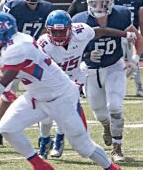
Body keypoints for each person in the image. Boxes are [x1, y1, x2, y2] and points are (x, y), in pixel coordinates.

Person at [0, 11, 126, 170]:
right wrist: (10, 93)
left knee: (83, 148)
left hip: (62, 97)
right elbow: (11, 79)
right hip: (37, 96)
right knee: (6, 128)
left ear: (4, 34)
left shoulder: (17, 48)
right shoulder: (12, 44)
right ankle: (40, 166)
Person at [37, 10, 137, 158]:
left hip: (74, 78)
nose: (58, 36)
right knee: (45, 117)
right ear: (48, 30)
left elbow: (101, 31)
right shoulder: (43, 44)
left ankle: (59, 139)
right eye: (55, 32)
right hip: (52, 80)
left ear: (70, 29)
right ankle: (45, 140)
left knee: (65, 111)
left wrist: (125, 34)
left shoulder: (81, 31)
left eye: (62, 31)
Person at [72, 0, 143, 162]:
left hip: (114, 65)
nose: (98, 8)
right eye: (94, 3)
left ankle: (117, 148)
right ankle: (106, 126)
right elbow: (71, 48)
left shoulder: (120, 15)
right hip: (89, 69)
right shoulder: (80, 20)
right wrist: (86, 54)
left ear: (110, 3)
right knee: (100, 113)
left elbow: (136, 36)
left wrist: (135, 58)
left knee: (115, 107)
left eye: (103, 3)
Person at [0, 0, 54, 149]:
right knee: (7, 93)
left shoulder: (47, 8)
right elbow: (2, 30)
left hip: (35, 56)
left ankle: (43, 135)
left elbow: (47, 30)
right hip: (15, 55)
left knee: (42, 93)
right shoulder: (12, 6)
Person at [114, 0, 143, 97]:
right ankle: (117, 88)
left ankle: (139, 87)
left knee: (134, 63)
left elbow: (141, 18)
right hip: (119, 34)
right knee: (117, 63)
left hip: (133, 34)